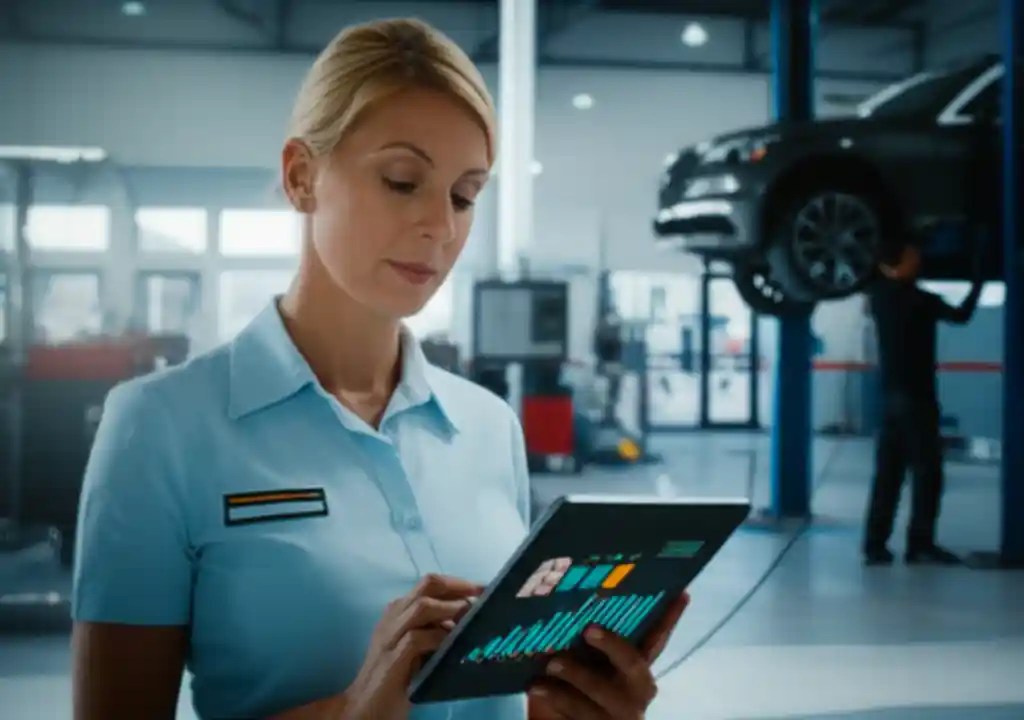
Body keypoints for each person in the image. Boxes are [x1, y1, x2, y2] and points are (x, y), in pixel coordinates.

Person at [70, 18, 687, 720]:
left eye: (463, 195)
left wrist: (577, 708)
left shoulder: (487, 427)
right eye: (402, 181)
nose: (442, 227)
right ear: (302, 177)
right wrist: (351, 712)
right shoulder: (160, 427)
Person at [863, 242, 984, 567]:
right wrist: (977, 282)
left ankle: (875, 545)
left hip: (889, 401)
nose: (920, 262)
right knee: (927, 474)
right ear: (897, 264)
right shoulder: (921, 300)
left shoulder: (878, 297)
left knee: (888, 475)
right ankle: (920, 544)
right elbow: (962, 315)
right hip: (917, 401)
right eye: (913, 256)